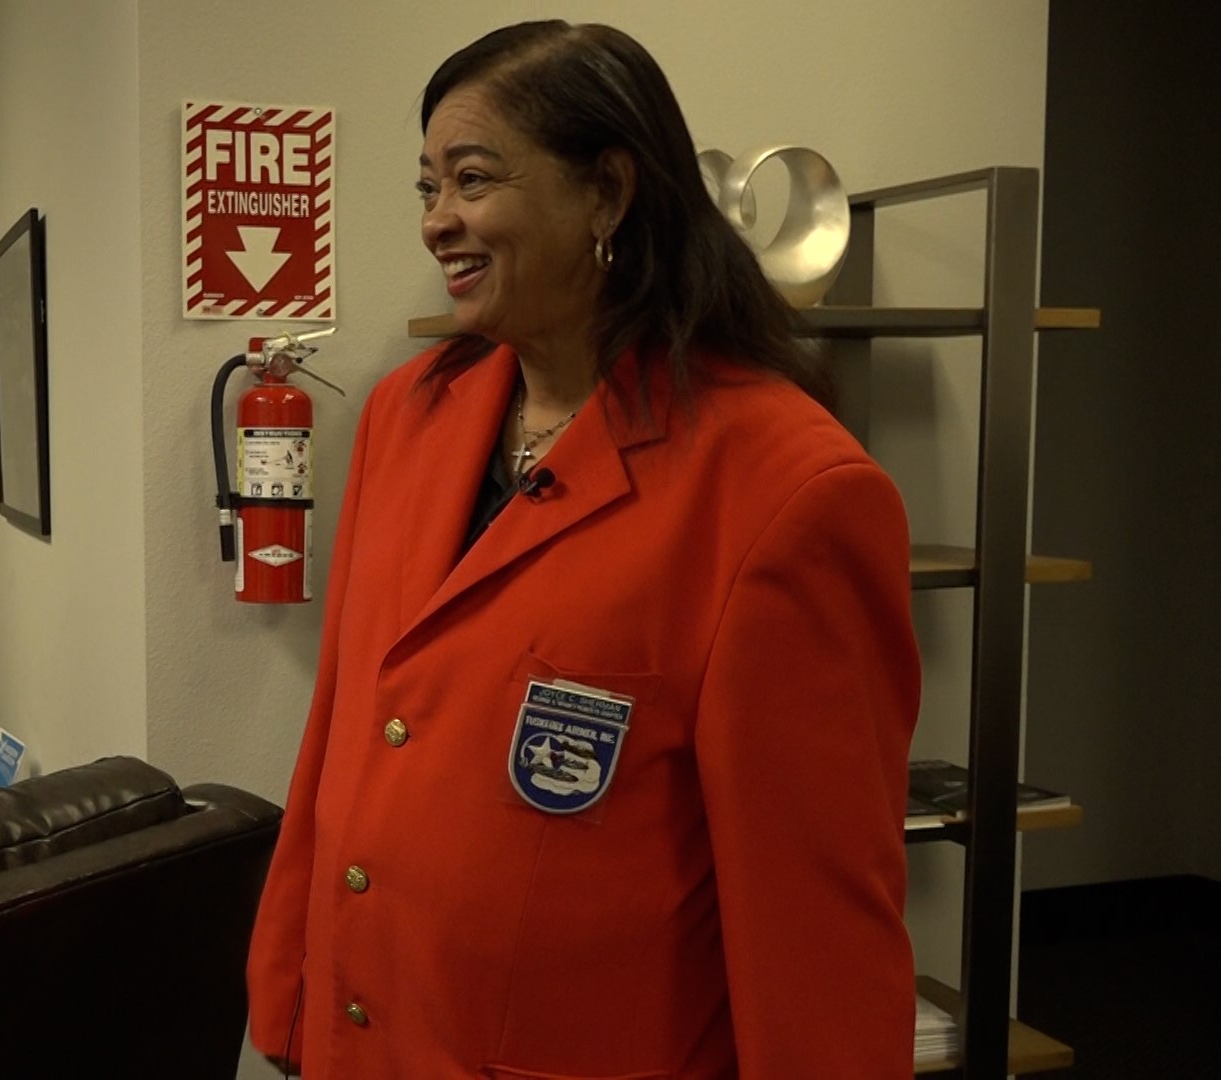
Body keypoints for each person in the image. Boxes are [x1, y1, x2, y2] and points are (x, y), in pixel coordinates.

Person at [244, 21, 920, 1080]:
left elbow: (817, 929)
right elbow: (342, 728)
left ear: (607, 192)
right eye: (426, 187)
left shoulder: (789, 492)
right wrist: (287, 1002)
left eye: (471, 179)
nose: (437, 222)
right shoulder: (403, 418)